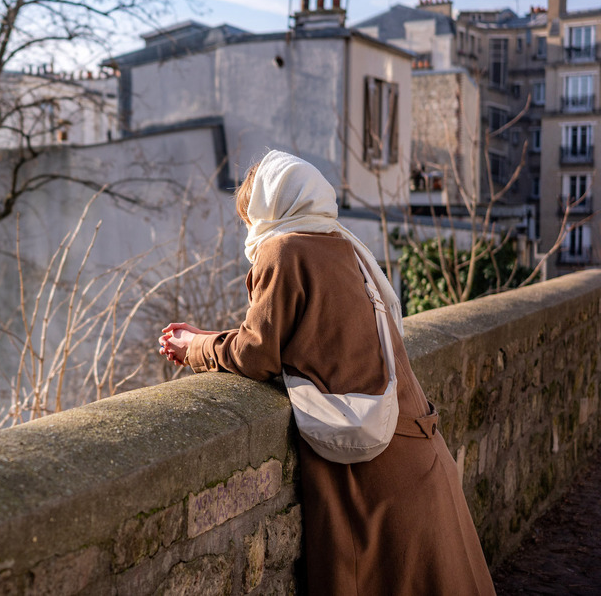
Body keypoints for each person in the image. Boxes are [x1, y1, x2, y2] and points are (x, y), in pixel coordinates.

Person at [159, 151, 495, 596]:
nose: (250, 227)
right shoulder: (343, 246)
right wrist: (212, 337)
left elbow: (256, 354)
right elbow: (284, 332)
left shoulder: (285, 250)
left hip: (381, 473)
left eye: (249, 215)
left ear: (268, 207)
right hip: (419, 453)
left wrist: (194, 347)